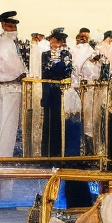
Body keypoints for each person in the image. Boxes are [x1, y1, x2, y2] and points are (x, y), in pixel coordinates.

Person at [0, 12, 27, 159]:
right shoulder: (7, 42)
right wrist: (22, 73)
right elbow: (9, 64)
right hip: (11, 86)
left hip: (4, 86)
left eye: (15, 26)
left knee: (1, 123)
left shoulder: (1, 41)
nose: (14, 29)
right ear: (4, 25)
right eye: (11, 26)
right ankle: (3, 157)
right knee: (7, 125)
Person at [38, 29, 73, 158]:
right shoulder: (45, 55)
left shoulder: (66, 54)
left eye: (55, 40)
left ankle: (59, 152)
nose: (53, 43)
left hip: (60, 92)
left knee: (59, 122)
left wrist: (57, 67)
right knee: (48, 123)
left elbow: (67, 71)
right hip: (49, 91)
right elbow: (45, 72)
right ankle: (47, 153)